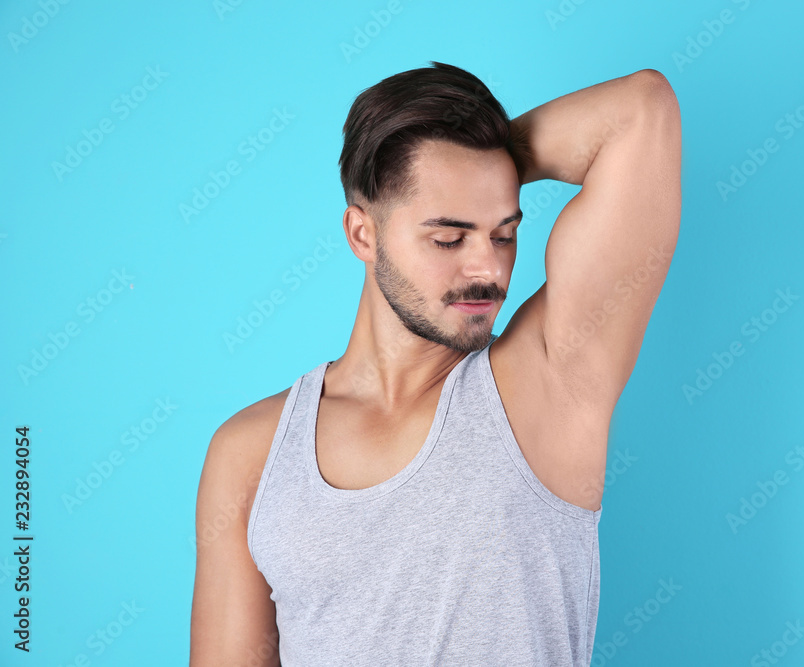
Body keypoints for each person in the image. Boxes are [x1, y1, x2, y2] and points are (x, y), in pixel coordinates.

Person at [190, 61, 681, 666]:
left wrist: (487, 164)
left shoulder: (550, 384)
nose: (489, 269)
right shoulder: (250, 454)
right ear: (362, 234)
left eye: (504, 233)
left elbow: (640, 111)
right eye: (449, 237)